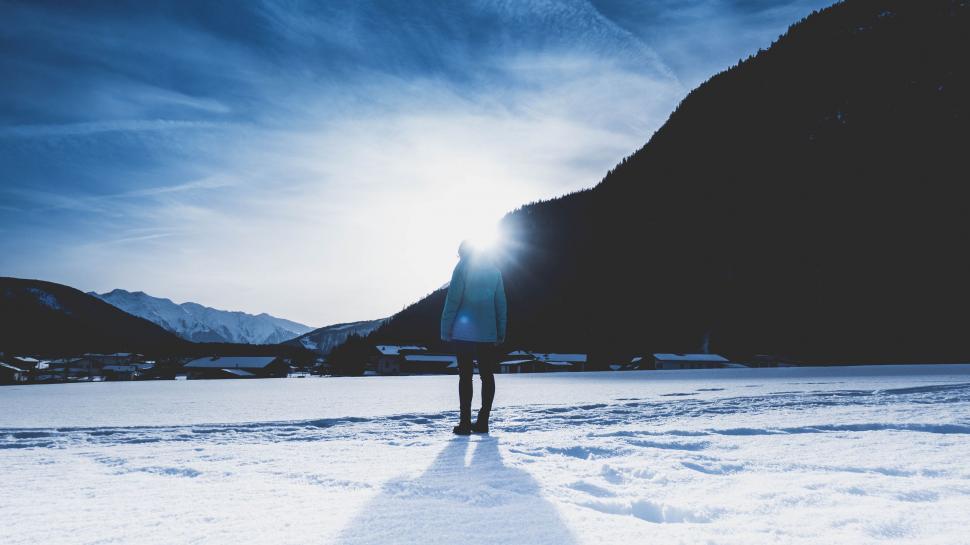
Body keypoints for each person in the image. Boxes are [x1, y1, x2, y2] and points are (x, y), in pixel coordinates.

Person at [440, 240, 508, 435]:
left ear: (462, 252)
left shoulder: (462, 267)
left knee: (465, 377)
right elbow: (501, 303)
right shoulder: (494, 270)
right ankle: (483, 421)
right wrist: (500, 331)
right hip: (487, 334)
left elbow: (453, 299)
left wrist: (446, 329)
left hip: (465, 332)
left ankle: (464, 423)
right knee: (487, 376)